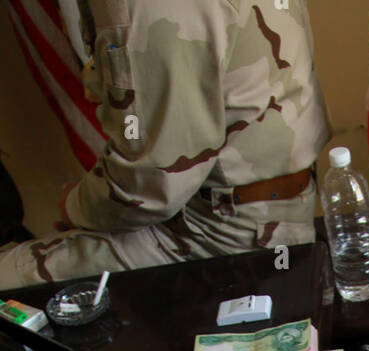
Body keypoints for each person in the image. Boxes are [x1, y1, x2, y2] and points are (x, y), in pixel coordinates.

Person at [0, 0, 329, 289]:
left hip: (222, 235)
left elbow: (150, 187)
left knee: (7, 280)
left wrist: (75, 206)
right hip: (260, 213)